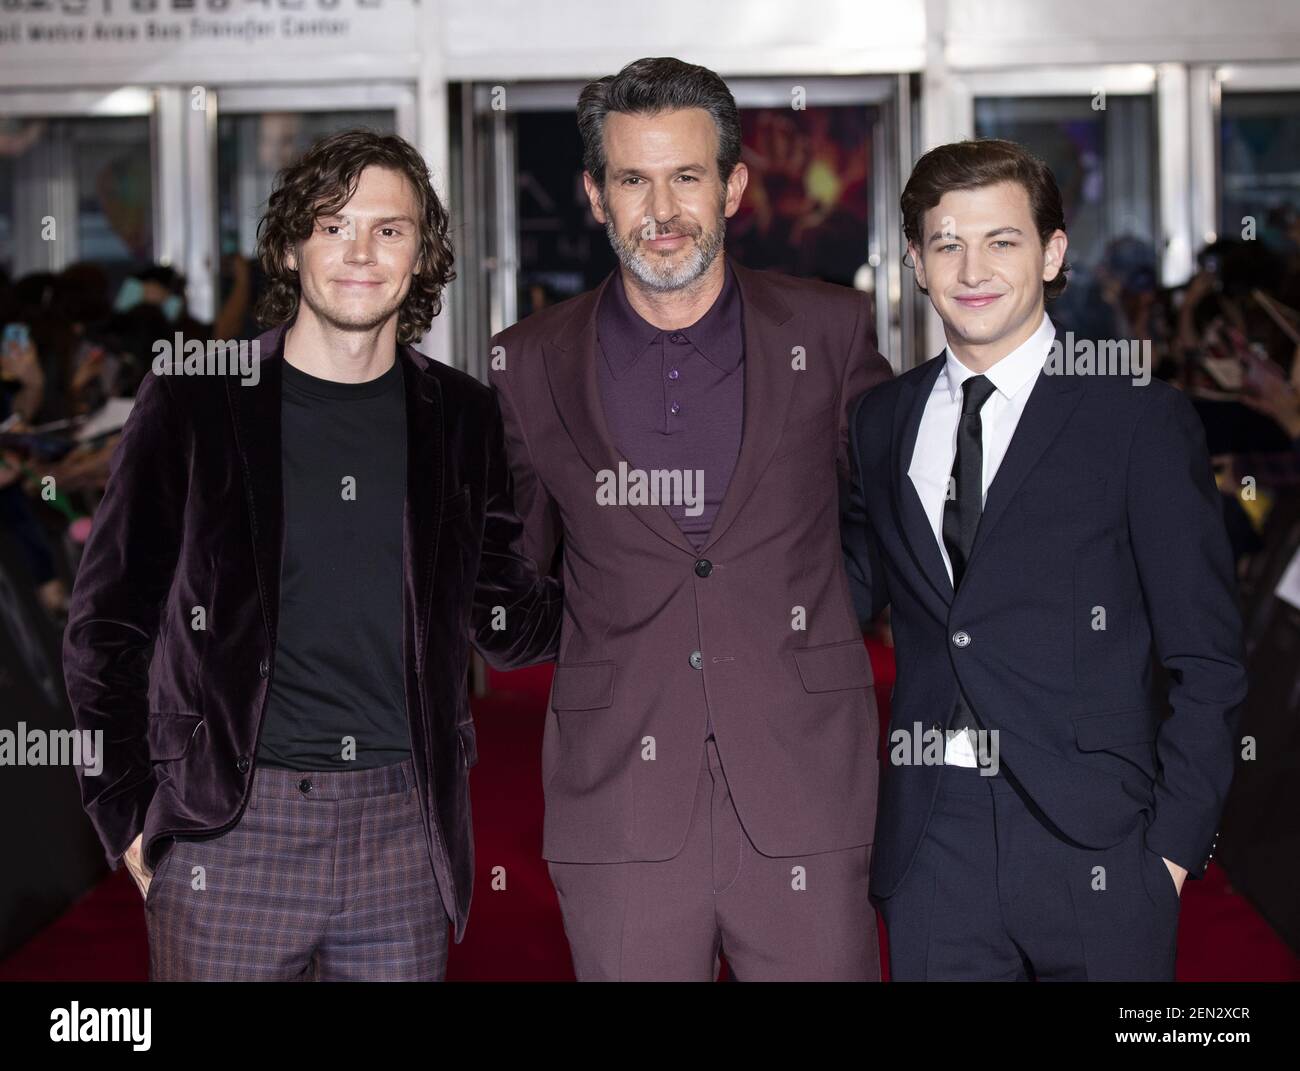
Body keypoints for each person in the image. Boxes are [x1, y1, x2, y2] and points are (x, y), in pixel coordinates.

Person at [63, 130, 562, 981]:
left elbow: (504, 620)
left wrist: (639, 551)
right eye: (332, 227)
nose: (359, 252)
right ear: (292, 248)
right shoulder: (195, 397)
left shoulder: (462, 414)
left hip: (401, 834)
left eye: (389, 229)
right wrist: (126, 809)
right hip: (232, 828)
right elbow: (105, 622)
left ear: (422, 255)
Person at [489, 56, 892, 981]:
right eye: (633, 179)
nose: (661, 210)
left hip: (808, 790)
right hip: (618, 800)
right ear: (596, 194)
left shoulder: (829, 333)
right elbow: (512, 561)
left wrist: (824, 608)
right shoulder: (529, 362)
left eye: (686, 177)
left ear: (734, 186)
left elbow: (879, 513)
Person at [843, 137, 1248, 981]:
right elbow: (845, 590)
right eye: (948, 243)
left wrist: (1170, 851)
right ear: (915, 260)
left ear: (1053, 250)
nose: (972, 267)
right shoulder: (879, 422)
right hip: (931, 846)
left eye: (1003, 240)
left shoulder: (1138, 418)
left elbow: (1209, 658)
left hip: (1101, 847)